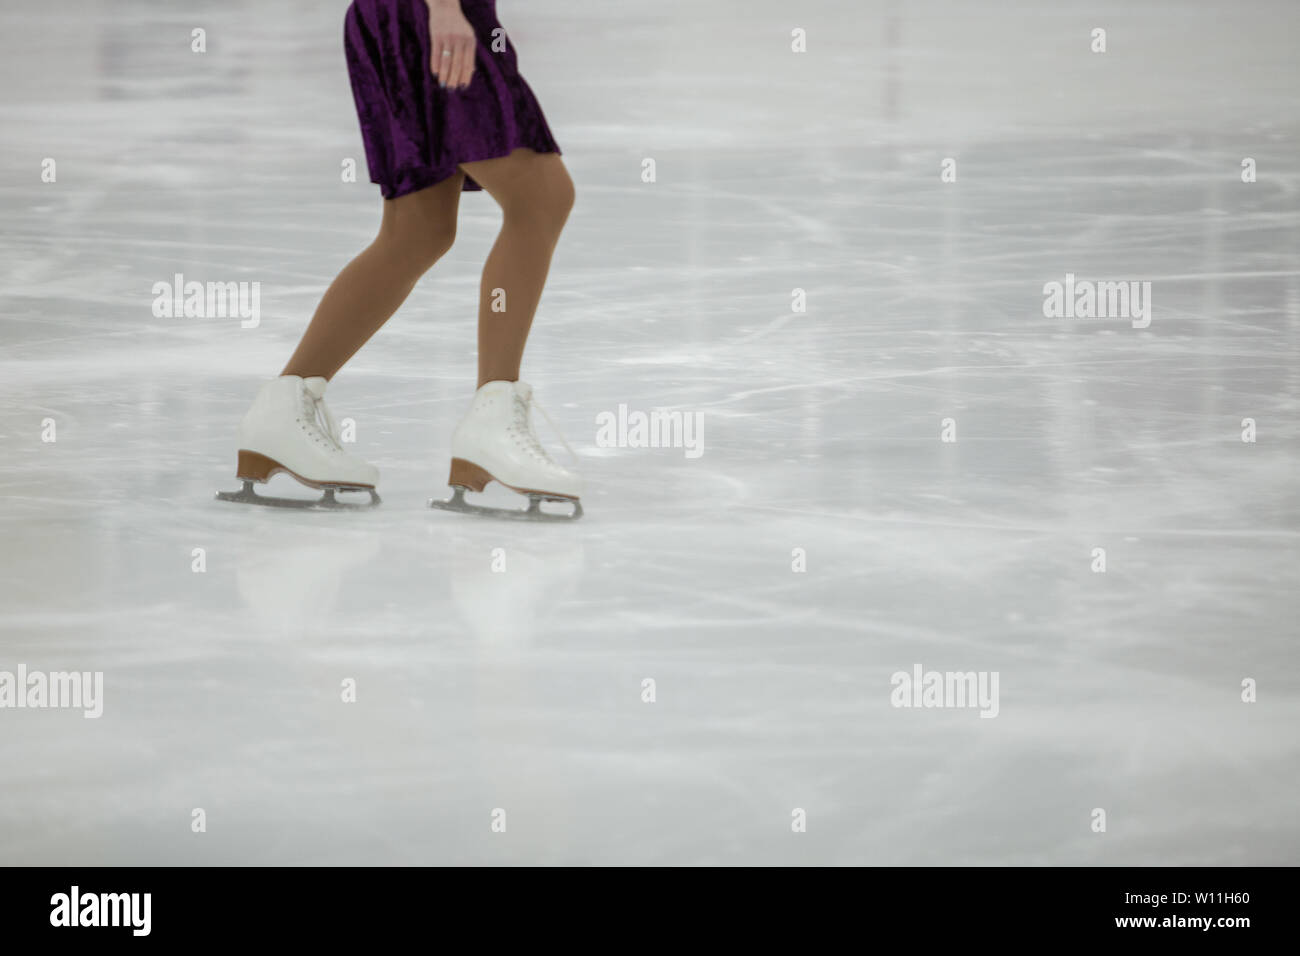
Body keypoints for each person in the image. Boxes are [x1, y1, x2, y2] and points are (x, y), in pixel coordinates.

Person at [221, 0, 582, 517]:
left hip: (398, 16)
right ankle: (493, 422)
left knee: (418, 230)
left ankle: (281, 412)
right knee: (541, 198)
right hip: (431, 16)